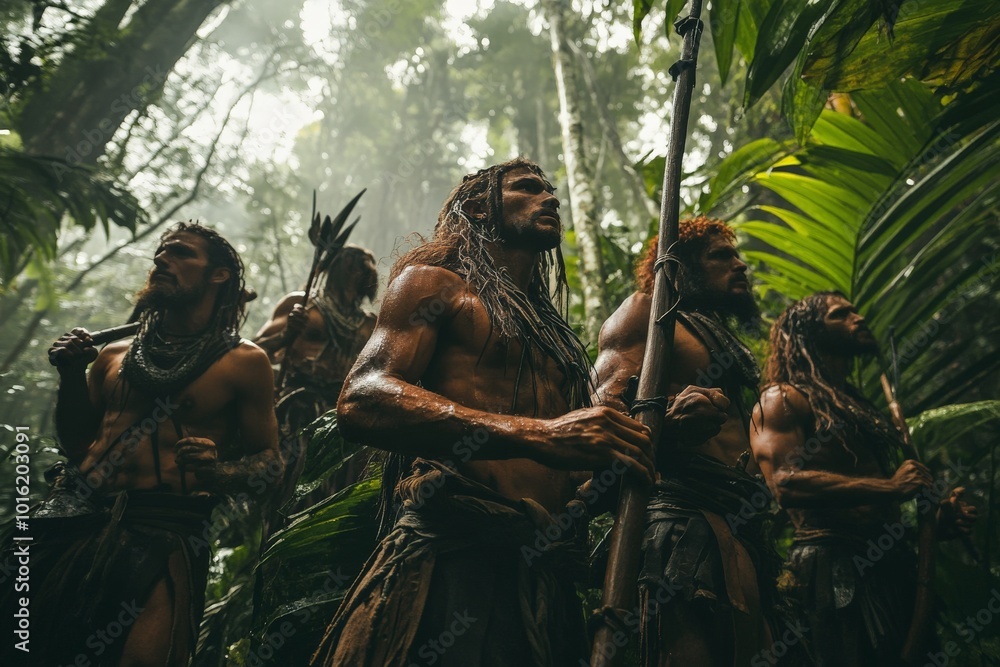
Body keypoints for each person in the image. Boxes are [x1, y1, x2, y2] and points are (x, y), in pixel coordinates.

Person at [310, 157, 656, 667]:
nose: (551, 198)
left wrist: (647, 434)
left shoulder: (555, 338)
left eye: (551, 190)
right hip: (451, 558)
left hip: (542, 577)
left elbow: (573, 461)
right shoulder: (433, 285)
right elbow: (362, 397)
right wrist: (538, 434)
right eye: (528, 188)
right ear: (477, 207)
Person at [2, 222, 281, 667]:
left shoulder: (244, 362)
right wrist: (72, 375)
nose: (161, 260)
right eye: (161, 252)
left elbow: (270, 463)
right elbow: (78, 445)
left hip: (164, 528)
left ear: (219, 275)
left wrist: (217, 470)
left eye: (181, 253)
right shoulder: (112, 355)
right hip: (75, 518)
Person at [750, 292, 976, 666]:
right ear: (809, 331)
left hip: (889, 571)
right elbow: (785, 484)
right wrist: (892, 487)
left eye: (855, 310)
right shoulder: (782, 399)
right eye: (842, 314)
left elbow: (870, 510)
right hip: (831, 573)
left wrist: (936, 524)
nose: (859, 317)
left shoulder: (853, 405)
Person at [592, 217, 778, 666]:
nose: (739, 266)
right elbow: (603, 420)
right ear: (682, 267)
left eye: (736, 255)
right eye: (721, 256)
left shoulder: (713, 333)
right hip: (682, 524)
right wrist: (670, 421)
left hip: (739, 522)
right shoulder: (646, 313)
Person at [254, 244, 378, 497]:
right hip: (298, 411)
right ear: (337, 269)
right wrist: (287, 334)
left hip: (343, 417)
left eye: (365, 269)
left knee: (334, 491)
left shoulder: (370, 324)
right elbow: (255, 354)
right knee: (291, 485)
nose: (361, 274)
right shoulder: (303, 306)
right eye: (354, 266)